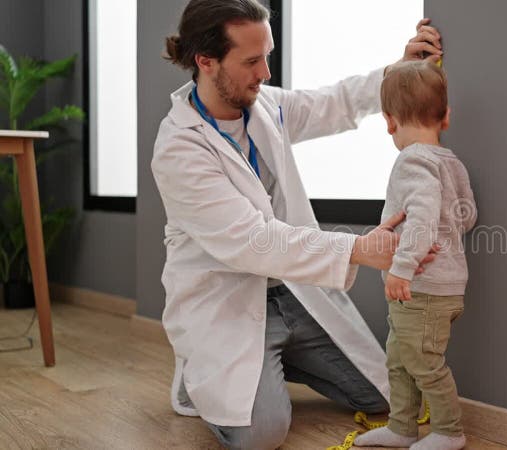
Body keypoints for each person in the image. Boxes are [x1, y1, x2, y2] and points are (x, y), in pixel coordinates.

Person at [150, 0, 443, 448]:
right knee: (261, 435)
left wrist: (398, 71)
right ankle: (202, 373)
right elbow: (253, 241)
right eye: (251, 61)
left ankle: (272, 362)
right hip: (228, 301)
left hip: (290, 293)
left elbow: (334, 103)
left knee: (385, 396)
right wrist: (359, 249)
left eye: (266, 55)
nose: (265, 72)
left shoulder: (265, 105)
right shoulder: (178, 148)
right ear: (206, 61)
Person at [354, 61, 477, 450]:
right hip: (443, 287)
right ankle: (402, 427)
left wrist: (402, 268)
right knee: (400, 358)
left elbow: (422, 217)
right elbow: (468, 216)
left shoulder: (412, 160)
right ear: (446, 117)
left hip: (420, 287)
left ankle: (449, 431)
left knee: (422, 362)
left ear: (390, 122)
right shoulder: (450, 162)